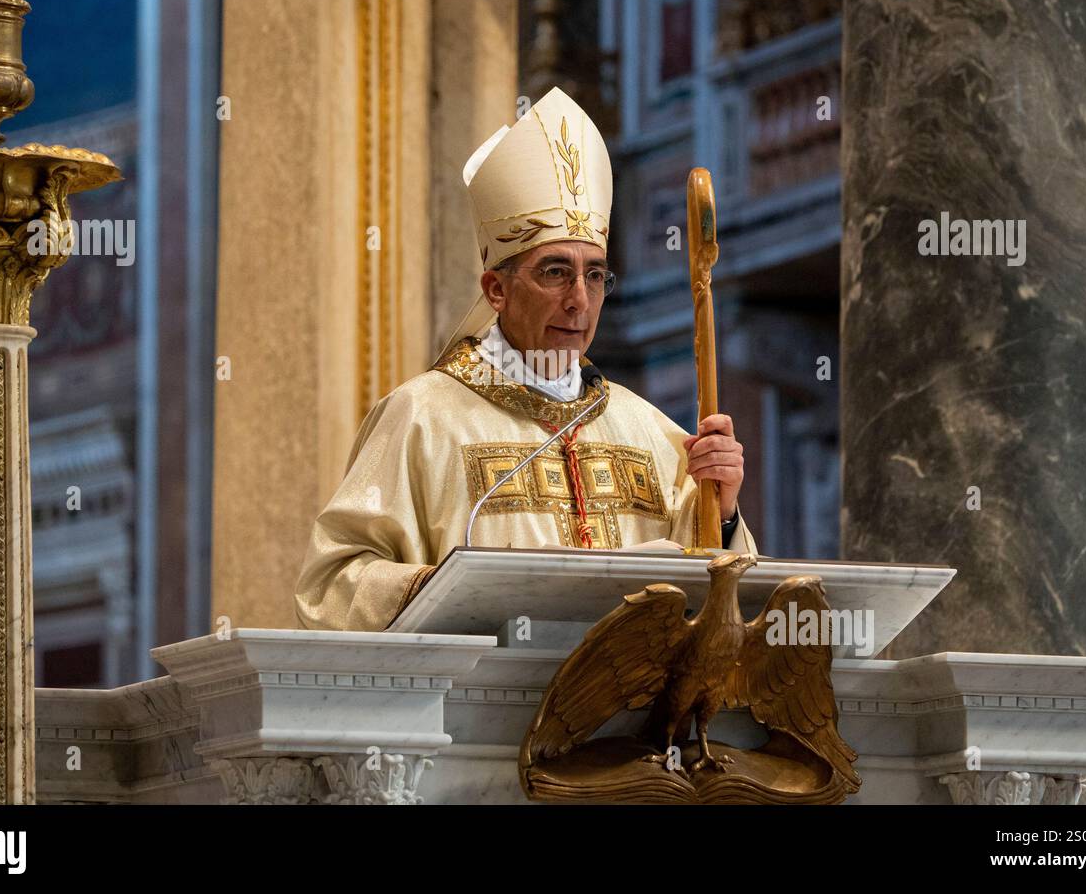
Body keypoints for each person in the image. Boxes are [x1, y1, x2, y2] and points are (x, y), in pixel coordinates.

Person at [295, 87, 756, 631]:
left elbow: (718, 613)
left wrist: (721, 514)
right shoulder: (421, 419)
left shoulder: (652, 434)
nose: (579, 301)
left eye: (594, 275)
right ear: (496, 288)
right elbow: (331, 588)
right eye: (555, 271)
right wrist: (448, 588)